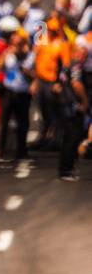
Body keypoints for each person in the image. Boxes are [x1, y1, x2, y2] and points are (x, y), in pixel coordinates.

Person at [33, 15, 72, 150]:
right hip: (41, 81)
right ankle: (43, 137)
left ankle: (56, 140)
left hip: (52, 83)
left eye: (54, 30)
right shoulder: (42, 40)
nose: (50, 32)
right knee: (42, 109)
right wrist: (35, 81)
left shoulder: (62, 44)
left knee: (54, 112)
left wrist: (59, 83)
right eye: (49, 29)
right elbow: (35, 58)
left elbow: (66, 67)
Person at [0, 26, 34, 163]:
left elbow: (34, 75)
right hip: (9, 91)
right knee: (4, 121)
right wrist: (6, 53)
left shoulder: (30, 56)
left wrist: (23, 66)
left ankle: (21, 151)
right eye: (13, 44)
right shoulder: (9, 54)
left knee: (23, 123)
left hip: (23, 92)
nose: (15, 46)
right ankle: (0, 151)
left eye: (18, 44)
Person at [56, 42, 88, 181]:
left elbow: (59, 85)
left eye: (85, 55)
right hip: (73, 106)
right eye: (81, 53)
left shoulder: (66, 65)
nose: (83, 57)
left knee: (68, 137)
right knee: (72, 137)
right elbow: (76, 84)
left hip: (64, 105)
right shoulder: (76, 66)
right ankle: (66, 171)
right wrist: (85, 102)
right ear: (75, 53)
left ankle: (67, 168)